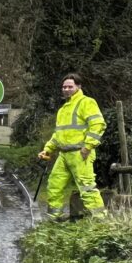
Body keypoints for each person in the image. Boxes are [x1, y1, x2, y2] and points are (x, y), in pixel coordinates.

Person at [39, 74, 107, 219]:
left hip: (80, 153)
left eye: (70, 86)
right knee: (54, 185)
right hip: (64, 154)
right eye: (64, 87)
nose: (66, 89)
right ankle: (54, 218)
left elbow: (98, 125)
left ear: (78, 87)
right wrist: (48, 149)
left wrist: (87, 147)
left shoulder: (86, 102)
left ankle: (100, 220)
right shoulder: (63, 109)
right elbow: (58, 134)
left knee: (87, 188)